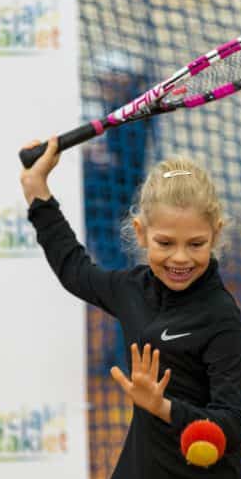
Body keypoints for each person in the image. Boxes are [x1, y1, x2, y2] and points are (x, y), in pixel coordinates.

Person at [20, 137, 241, 479]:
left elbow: (230, 422)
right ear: (140, 234)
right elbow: (75, 270)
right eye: (165, 243)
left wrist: (164, 407)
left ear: (215, 236)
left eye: (196, 244)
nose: (180, 257)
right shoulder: (131, 289)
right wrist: (38, 192)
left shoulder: (219, 314)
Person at [83, 51, 150, 370]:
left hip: (114, 210)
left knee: (120, 283)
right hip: (101, 210)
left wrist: (91, 157)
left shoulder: (133, 118)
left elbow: (122, 165)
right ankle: (120, 353)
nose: (104, 86)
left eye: (110, 80)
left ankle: (127, 356)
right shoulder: (115, 113)